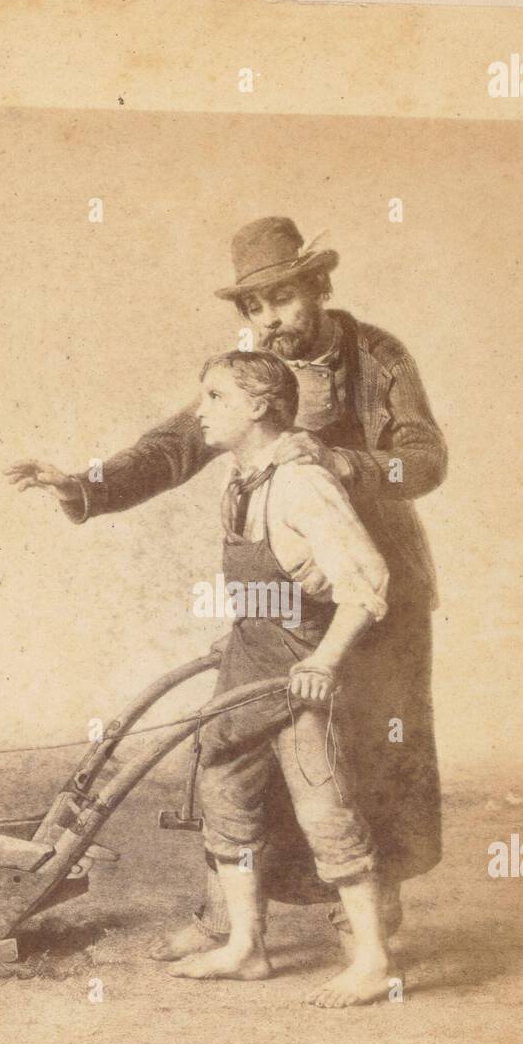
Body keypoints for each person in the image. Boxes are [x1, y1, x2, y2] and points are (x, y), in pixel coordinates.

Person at [6, 215, 447, 960]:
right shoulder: (250, 372)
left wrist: (348, 465)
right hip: (280, 595)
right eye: (253, 307)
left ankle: (366, 927)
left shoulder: (378, 355)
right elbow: (177, 445)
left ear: (318, 286)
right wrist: (84, 486)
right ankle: (228, 926)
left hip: (373, 588)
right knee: (237, 749)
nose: (267, 320)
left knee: (369, 748)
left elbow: (426, 459)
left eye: (280, 300)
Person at [173, 349, 392, 1005]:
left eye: (214, 397)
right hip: (247, 664)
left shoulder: (301, 482)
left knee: (323, 808)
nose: (199, 411)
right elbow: (265, 584)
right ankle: (245, 947)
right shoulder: (240, 480)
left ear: (260, 406)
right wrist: (239, 633)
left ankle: (373, 961)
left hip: (299, 673)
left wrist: (322, 662)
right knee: (221, 790)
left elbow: (368, 583)